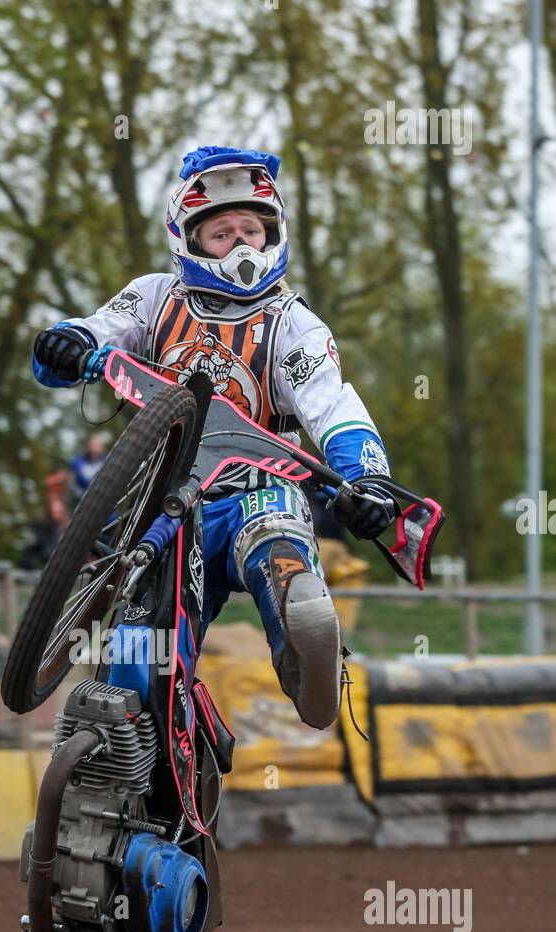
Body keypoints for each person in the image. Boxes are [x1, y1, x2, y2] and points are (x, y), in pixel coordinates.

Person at [32, 144, 398, 728]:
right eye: (223, 233)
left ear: (273, 233)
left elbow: (331, 403)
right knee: (136, 657)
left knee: (285, 566)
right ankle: (137, 782)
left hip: (262, 489)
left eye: (251, 229)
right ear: (190, 240)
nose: (242, 245)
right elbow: (104, 328)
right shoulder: (155, 296)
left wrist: (366, 477)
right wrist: (65, 340)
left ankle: (305, 652)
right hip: (169, 507)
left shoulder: (291, 322)